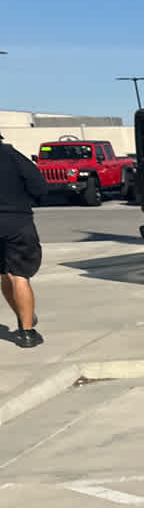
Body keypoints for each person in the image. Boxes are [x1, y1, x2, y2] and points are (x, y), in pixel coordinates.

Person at [0, 130, 48, 348]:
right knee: (19, 276)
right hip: (17, 222)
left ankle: (23, 315)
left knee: (4, 274)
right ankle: (27, 332)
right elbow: (38, 184)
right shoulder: (11, 155)